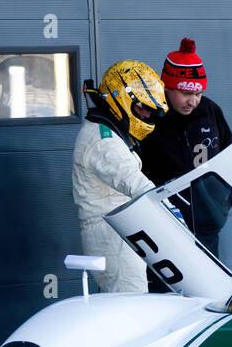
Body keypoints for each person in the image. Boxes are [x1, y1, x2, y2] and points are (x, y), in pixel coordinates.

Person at [71, 59, 168, 292]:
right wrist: (171, 209)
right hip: (112, 236)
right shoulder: (103, 141)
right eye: (141, 108)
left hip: (118, 230)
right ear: (121, 100)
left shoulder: (106, 131)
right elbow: (137, 184)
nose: (145, 115)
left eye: (149, 110)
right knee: (129, 311)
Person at [139, 39, 232, 267]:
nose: (192, 101)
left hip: (207, 225)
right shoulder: (148, 116)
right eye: (185, 93)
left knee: (206, 289)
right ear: (167, 87)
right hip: (163, 227)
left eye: (199, 94)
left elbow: (231, 156)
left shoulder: (210, 111)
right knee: (165, 292)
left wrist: (223, 204)